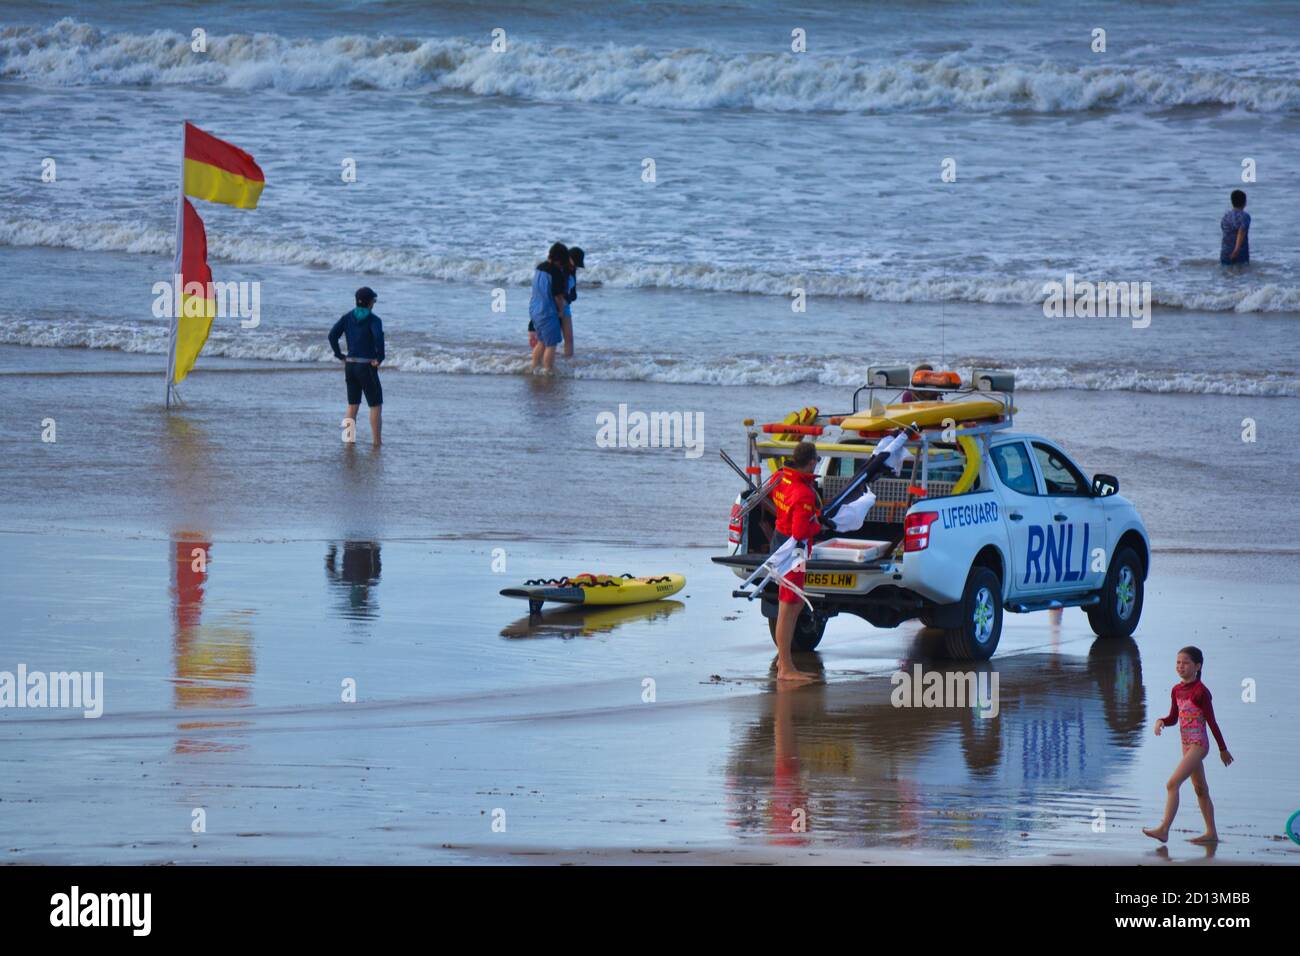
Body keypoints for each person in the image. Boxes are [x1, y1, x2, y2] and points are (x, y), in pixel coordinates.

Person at [1143, 646, 1233, 845]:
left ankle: (1164, 829)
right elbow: (1174, 717)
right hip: (1186, 745)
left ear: (1197, 666)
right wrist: (1161, 721)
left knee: (1172, 784)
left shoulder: (1201, 692)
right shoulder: (1176, 690)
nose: (1180, 666)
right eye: (1178, 662)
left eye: (1185, 663)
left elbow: (1212, 722)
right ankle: (1211, 833)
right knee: (1200, 789)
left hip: (1199, 745)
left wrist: (1223, 749)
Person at [769, 440, 823, 684]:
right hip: (794, 552)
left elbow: (772, 493)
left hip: (779, 542)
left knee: (790, 605)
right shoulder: (803, 493)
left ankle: (784, 661)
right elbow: (801, 531)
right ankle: (786, 667)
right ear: (811, 462)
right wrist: (818, 523)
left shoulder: (782, 477)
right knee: (789, 609)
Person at [329, 286, 385, 445]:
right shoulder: (374, 320)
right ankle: (376, 443)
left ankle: (349, 441)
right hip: (366, 367)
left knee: (352, 406)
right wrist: (380, 358)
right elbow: (378, 339)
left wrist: (339, 355)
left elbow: (332, 335)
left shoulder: (347, 317)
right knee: (375, 405)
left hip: (350, 366)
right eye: (374, 300)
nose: (374, 302)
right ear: (370, 302)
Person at [529, 243, 568, 375]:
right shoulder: (555, 272)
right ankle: (547, 372)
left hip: (534, 310)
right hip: (547, 312)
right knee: (551, 345)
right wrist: (561, 311)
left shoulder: (539, 267)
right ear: (560, 259)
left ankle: (533, 368)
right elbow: (558, 297)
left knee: (541, 342)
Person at [560, 245, 584, 358]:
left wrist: (570, 297)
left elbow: (573, 293)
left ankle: (568, 363)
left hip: (566, 306)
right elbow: (557, 291)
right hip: (556, 306)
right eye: (576, 263)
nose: (576, 267)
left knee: (569, 338)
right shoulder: (560, 270)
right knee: (550, 339)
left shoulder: (572, 270)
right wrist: (567, 297)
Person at [1220, 190, 1250, 266]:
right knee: (1241, 274)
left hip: (1225, 251)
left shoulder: (1226, 215)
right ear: (1245, 202)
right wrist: (1236, 250)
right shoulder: (1245, 216)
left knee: (1226, 274)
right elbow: (1241, 232)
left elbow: (1224, 230)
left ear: (1232, 202)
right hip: (1239, 252)